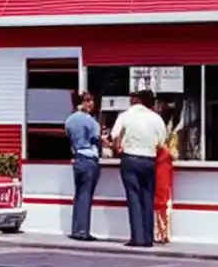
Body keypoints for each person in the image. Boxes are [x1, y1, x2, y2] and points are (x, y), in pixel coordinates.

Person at [110, 88, 167, 248]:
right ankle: (148, 238)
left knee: (134, 198)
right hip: (149, 160)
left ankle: (137, 237)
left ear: (137, 100)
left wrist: (118, 147)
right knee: (147, 198)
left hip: (130, 158)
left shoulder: (126, 115)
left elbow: (114, 135)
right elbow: (162, 141)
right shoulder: (156, 118)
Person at [63, 91, 101, 241]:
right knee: (86, 196)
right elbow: (96, 139)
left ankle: (76, 229)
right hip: (89, 160)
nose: (90, 103)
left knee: (79, 196)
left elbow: (68, 136)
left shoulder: (69, 120)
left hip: (77, 159)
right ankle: (82, 232)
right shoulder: (91, 121)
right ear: (82, 102)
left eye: (91, 100)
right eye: (88, 100)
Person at [153, 100, 179, 244]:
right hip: (165, 168)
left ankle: (160, 233)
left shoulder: (160, 139)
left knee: (159, 201)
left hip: (159, 168)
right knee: (164, 201)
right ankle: (163, 233)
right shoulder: (170, 135)